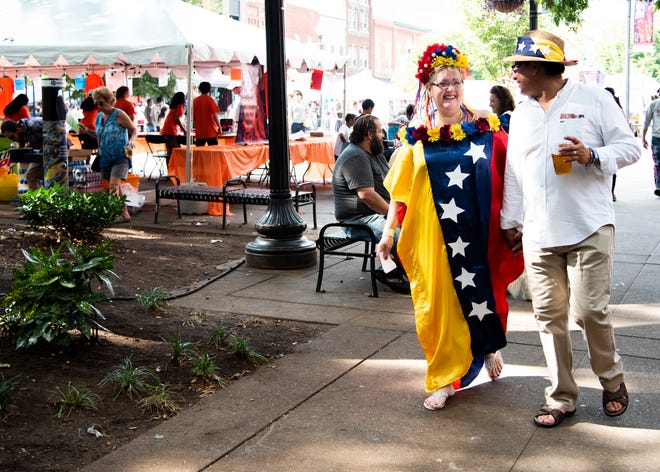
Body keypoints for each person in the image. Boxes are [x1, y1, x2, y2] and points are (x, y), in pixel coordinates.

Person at [500, 30, 640, 428]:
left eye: (518, 65)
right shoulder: (522, 113)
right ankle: (561, 396)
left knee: (590, 311)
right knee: (549, 318)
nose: (513, 73)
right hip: (538, 234)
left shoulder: (594, 100)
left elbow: (630, 148)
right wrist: (511, 221)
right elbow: (514, 172)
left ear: (540, 67)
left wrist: (592, 154)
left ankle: (611, 380)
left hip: (588, 226)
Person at [375, 42, 523, 411]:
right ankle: (444, 378)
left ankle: (486, 347)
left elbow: (514, 176)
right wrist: (388, 233)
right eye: (441, 83)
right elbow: (400, 193)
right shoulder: (415, 139)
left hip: (478, 237)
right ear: (429, 89)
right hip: (431, 240)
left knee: (480, 296)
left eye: (456, 81)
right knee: (437, 307)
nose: (450, 89)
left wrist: (515, 222)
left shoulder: (486, 131)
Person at [333, 113, 409, 293]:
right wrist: (394, 216)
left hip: (375, 213)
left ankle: (396, 269)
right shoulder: (355, 156)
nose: (383, 135)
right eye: (380, 131)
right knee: (398, 235)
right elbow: (366, 195)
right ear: (369, 134)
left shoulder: (373, 152)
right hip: (358, 219)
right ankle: (391, 274)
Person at [88, 86, 137, 223]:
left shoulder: (119, 114)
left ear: (110, 101)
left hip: (120, 156)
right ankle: (125, 213)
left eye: (101, 103)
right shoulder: (99, 117)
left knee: (113, 186)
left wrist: (131, 141)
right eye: (96, 104)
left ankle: (112, 213)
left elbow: (133, 129)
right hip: (105, 156)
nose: (99, 106)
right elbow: (98, 134)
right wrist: (86, 131)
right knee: (115, 186)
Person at [1, 117, 43, 190]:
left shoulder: (34, 126)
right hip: (45, 151)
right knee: (30, 175)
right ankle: (36, 199)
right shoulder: (22, 131)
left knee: (50, 175)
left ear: (17, 130)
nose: (13, 140)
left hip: (56, 150)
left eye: (12, 137)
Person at [641, 87, 660, 197]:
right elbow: (646, 122)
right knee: (658, 162)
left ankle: (658, 186)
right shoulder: (654, 105)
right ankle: (658, 186)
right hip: (656, 137)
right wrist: (643, 138)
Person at [605, 87, 623, 201]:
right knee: (611, 170)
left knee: (612, 169)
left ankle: (611, 192)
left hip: (610, 143)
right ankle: (611, 192)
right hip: (605, 142)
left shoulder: (614, 104)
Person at [160, 91, 186, 164]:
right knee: (177, 151)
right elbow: (176, 119)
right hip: (171, 130)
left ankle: (169, 170)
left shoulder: (173, 107)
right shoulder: (180, 106)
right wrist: (184, 129)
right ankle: (177, 169)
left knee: (169, 152)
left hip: (166, 130)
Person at [193, 81, 220, 146]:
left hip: (200, 132)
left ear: (199, 89)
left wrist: (196, 127)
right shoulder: (210, 100)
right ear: (209, 89)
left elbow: (194, 117)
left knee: (199, 154)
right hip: (211, 131)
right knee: (213, 153)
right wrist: (219, 127)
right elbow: (215, 115)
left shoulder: (195, 101)